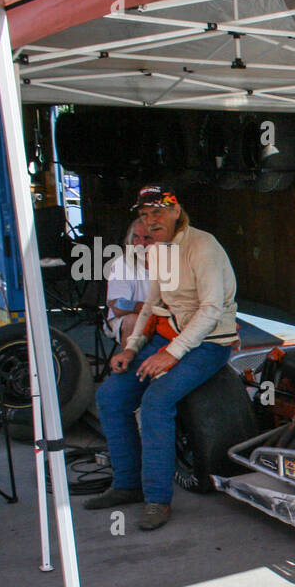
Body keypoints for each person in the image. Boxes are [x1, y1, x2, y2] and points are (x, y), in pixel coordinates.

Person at [83, 185, 239, 530]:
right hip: (171, 338)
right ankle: (127, 484)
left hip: (211, 342)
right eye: (144, 215)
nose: (150, 221)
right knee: (111, 396)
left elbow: (212, 309)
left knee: (156, 401)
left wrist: (172, 353)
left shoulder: (203, 245)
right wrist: (132, 346)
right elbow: (153, 304)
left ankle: (157, 499)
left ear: (175, 211)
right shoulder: (161, 251)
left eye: (157, 212)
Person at [103, 219, 152, 346]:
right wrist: (151, 308)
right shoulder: (123, 264)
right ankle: (129, 364)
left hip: (163, 317)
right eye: (136, 237)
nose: (141, 244)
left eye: (147, 238)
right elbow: (118, 306)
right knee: (134, 321)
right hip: (124, 319)